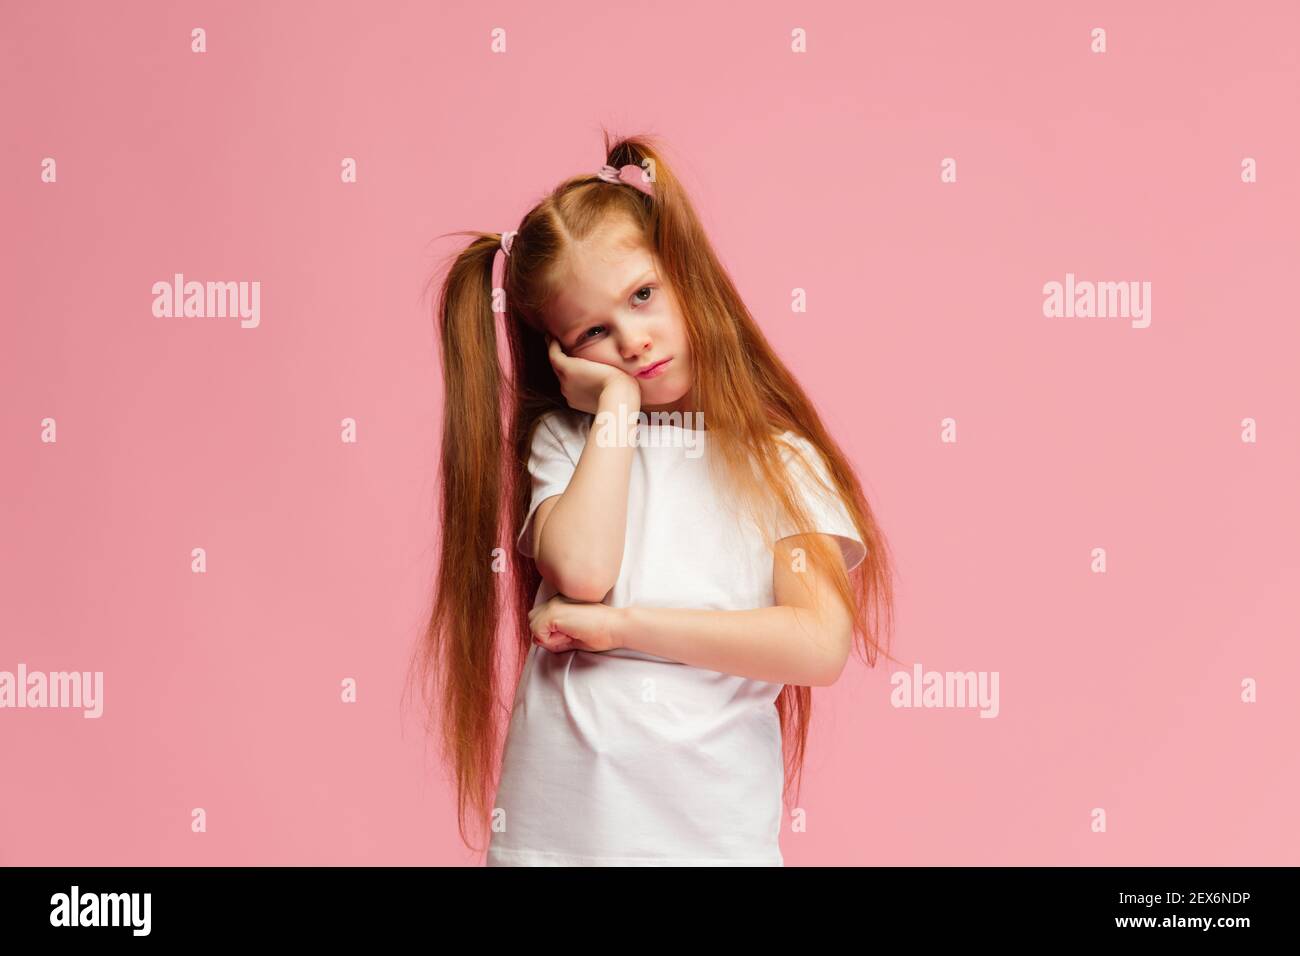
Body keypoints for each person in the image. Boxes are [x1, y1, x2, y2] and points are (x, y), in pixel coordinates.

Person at [407, 129, 897, 865]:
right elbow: (582, 572)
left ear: (685, 276)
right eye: (595, 331)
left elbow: (818, 643)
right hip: (558, 837)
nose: (634, 341)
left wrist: (625, 628)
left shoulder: (779, 463)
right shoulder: (571, 447)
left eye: (643, 296)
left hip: (704, 836)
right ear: (561, 353)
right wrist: (615, 409)